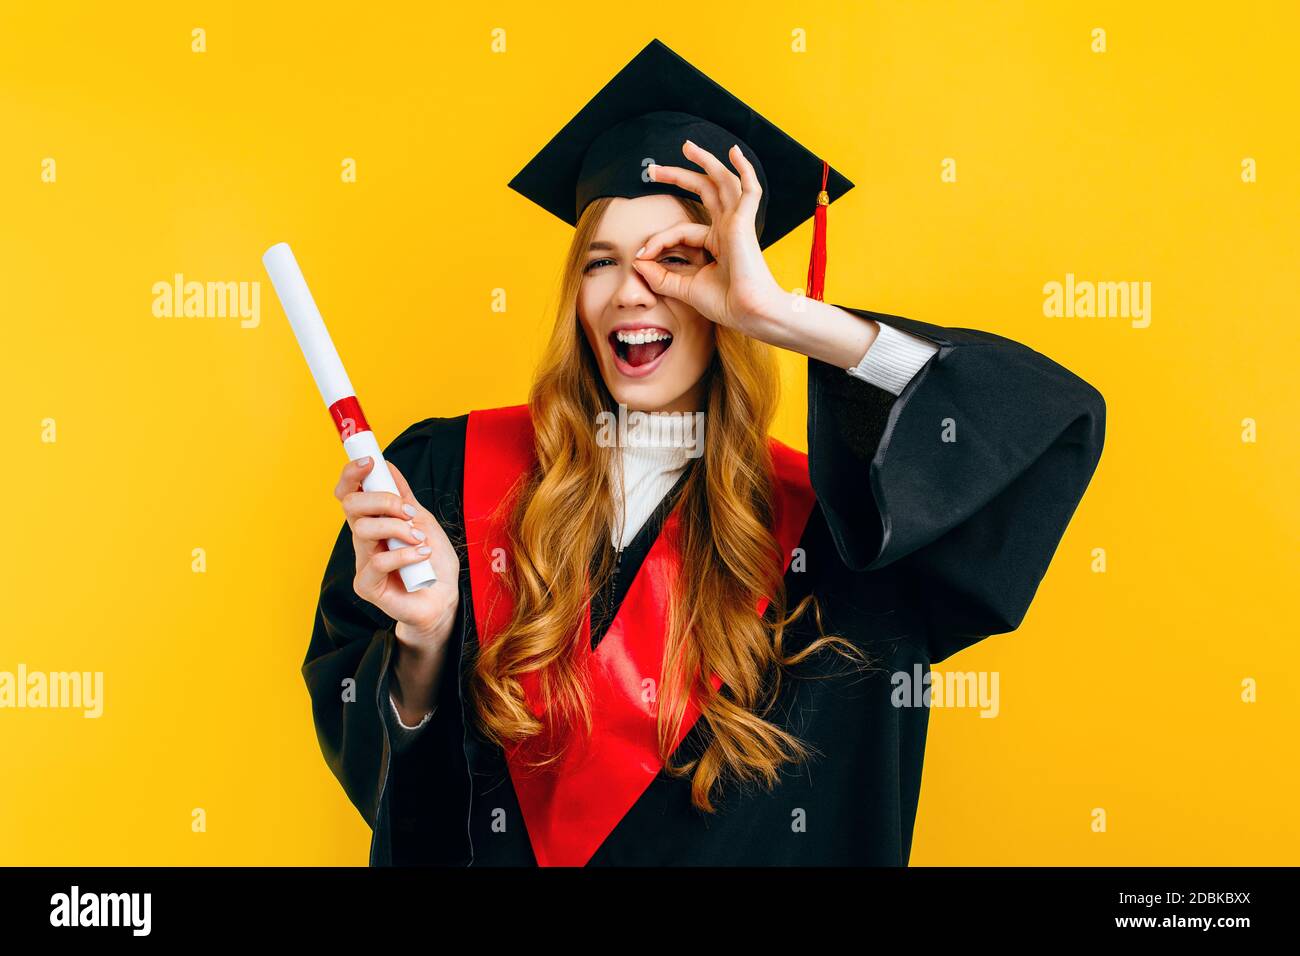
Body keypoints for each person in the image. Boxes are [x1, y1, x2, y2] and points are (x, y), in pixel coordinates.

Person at [301, 38, 1106, 866]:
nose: (630, 290)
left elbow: (1052, 431)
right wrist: (425, 642)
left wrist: (792, 321)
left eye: (679, 260)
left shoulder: (836, 535)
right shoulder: (447, 475)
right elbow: (411, 810)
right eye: (601, 261)